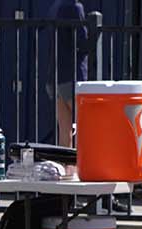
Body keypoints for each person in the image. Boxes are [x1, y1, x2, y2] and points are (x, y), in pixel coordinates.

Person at [44, 0, 92, 146]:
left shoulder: (55, 6)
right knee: (88, 125)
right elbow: (82, 43)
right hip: (73, 76)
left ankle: (66, 166)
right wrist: (95, 34)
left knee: (65, 131)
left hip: (55, 76)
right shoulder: (75, 7)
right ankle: (87, 165)